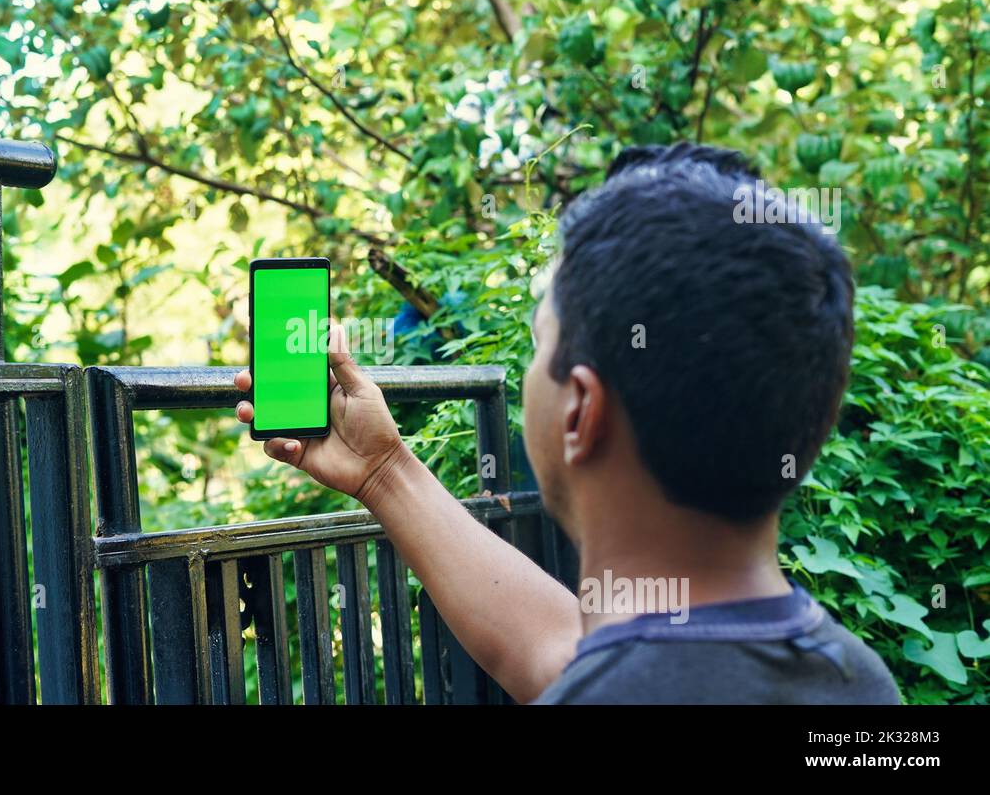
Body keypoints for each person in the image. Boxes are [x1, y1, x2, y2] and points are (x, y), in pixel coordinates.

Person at [233, 143, 901, 704]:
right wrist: (384, 472)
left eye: (538, 341)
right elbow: (569, 654)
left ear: (579, 411)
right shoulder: (857, 681)